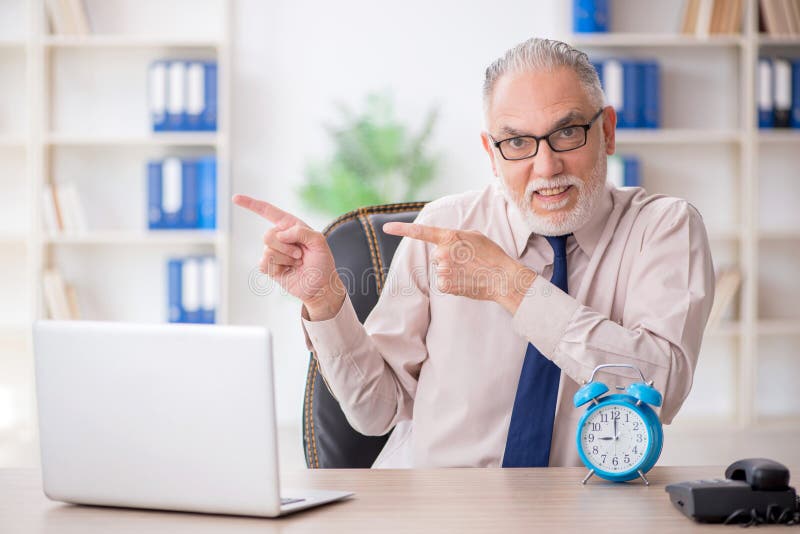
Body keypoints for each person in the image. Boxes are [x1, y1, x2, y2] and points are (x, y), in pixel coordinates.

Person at [233, 37, 715, 468]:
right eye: (518, 142)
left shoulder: (664, 226)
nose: (545, 166)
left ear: (606, 130)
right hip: (433, 503)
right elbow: (374, 412)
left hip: (580, 506)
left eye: (568, 133)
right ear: (491, 151)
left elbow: (661, 386)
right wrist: (324, 301)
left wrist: (514, 287)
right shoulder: (445, 225)